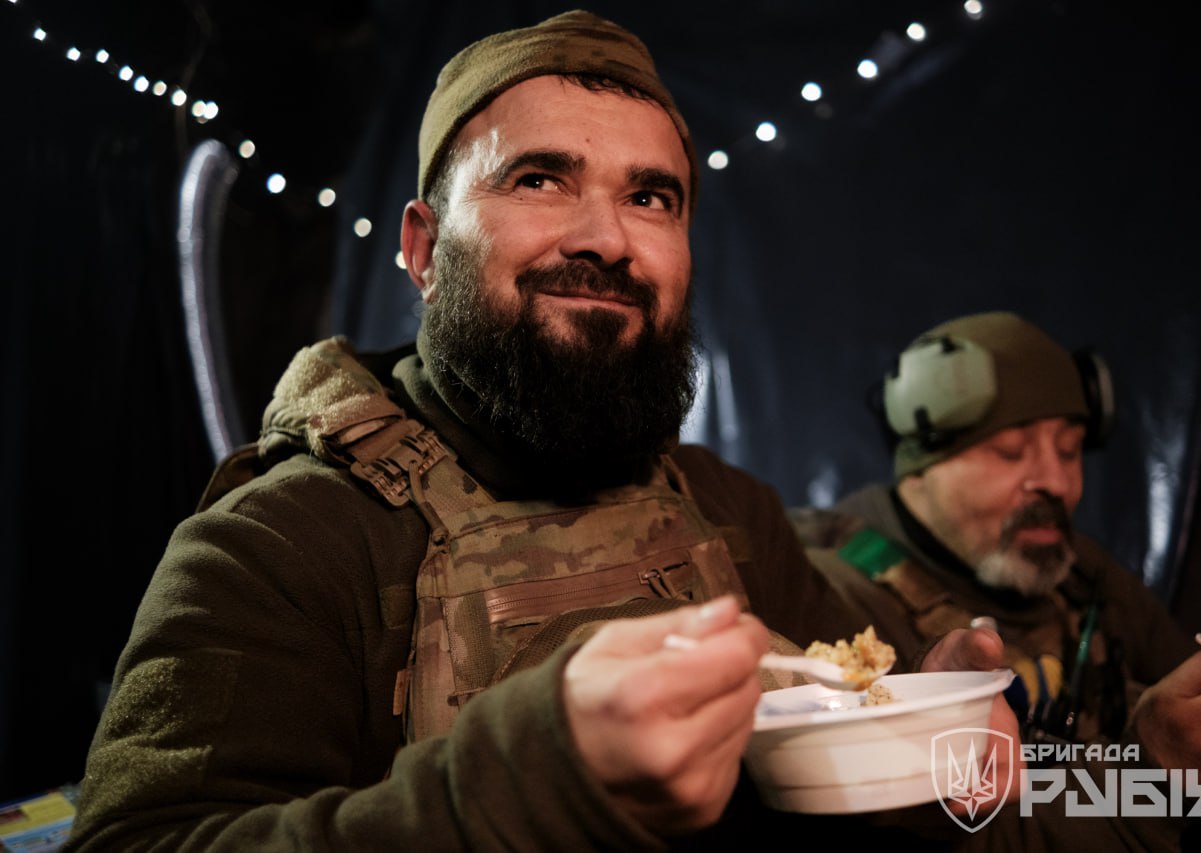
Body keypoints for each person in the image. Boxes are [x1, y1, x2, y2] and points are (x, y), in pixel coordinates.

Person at [66, 12, 1016, 851]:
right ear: (424, 249)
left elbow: (834, 761)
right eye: (539, 179)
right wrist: (525, 782)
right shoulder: (285, 544)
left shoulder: (725, 512)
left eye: (651, 197)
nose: (608, 236)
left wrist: (919, 755)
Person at [789, 310, 1201, 847]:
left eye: (1070, 450)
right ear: (921, 466)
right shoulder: (831, 598)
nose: (1055, 481)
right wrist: (1153, 770)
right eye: (1010, 451)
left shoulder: (1077, 571)